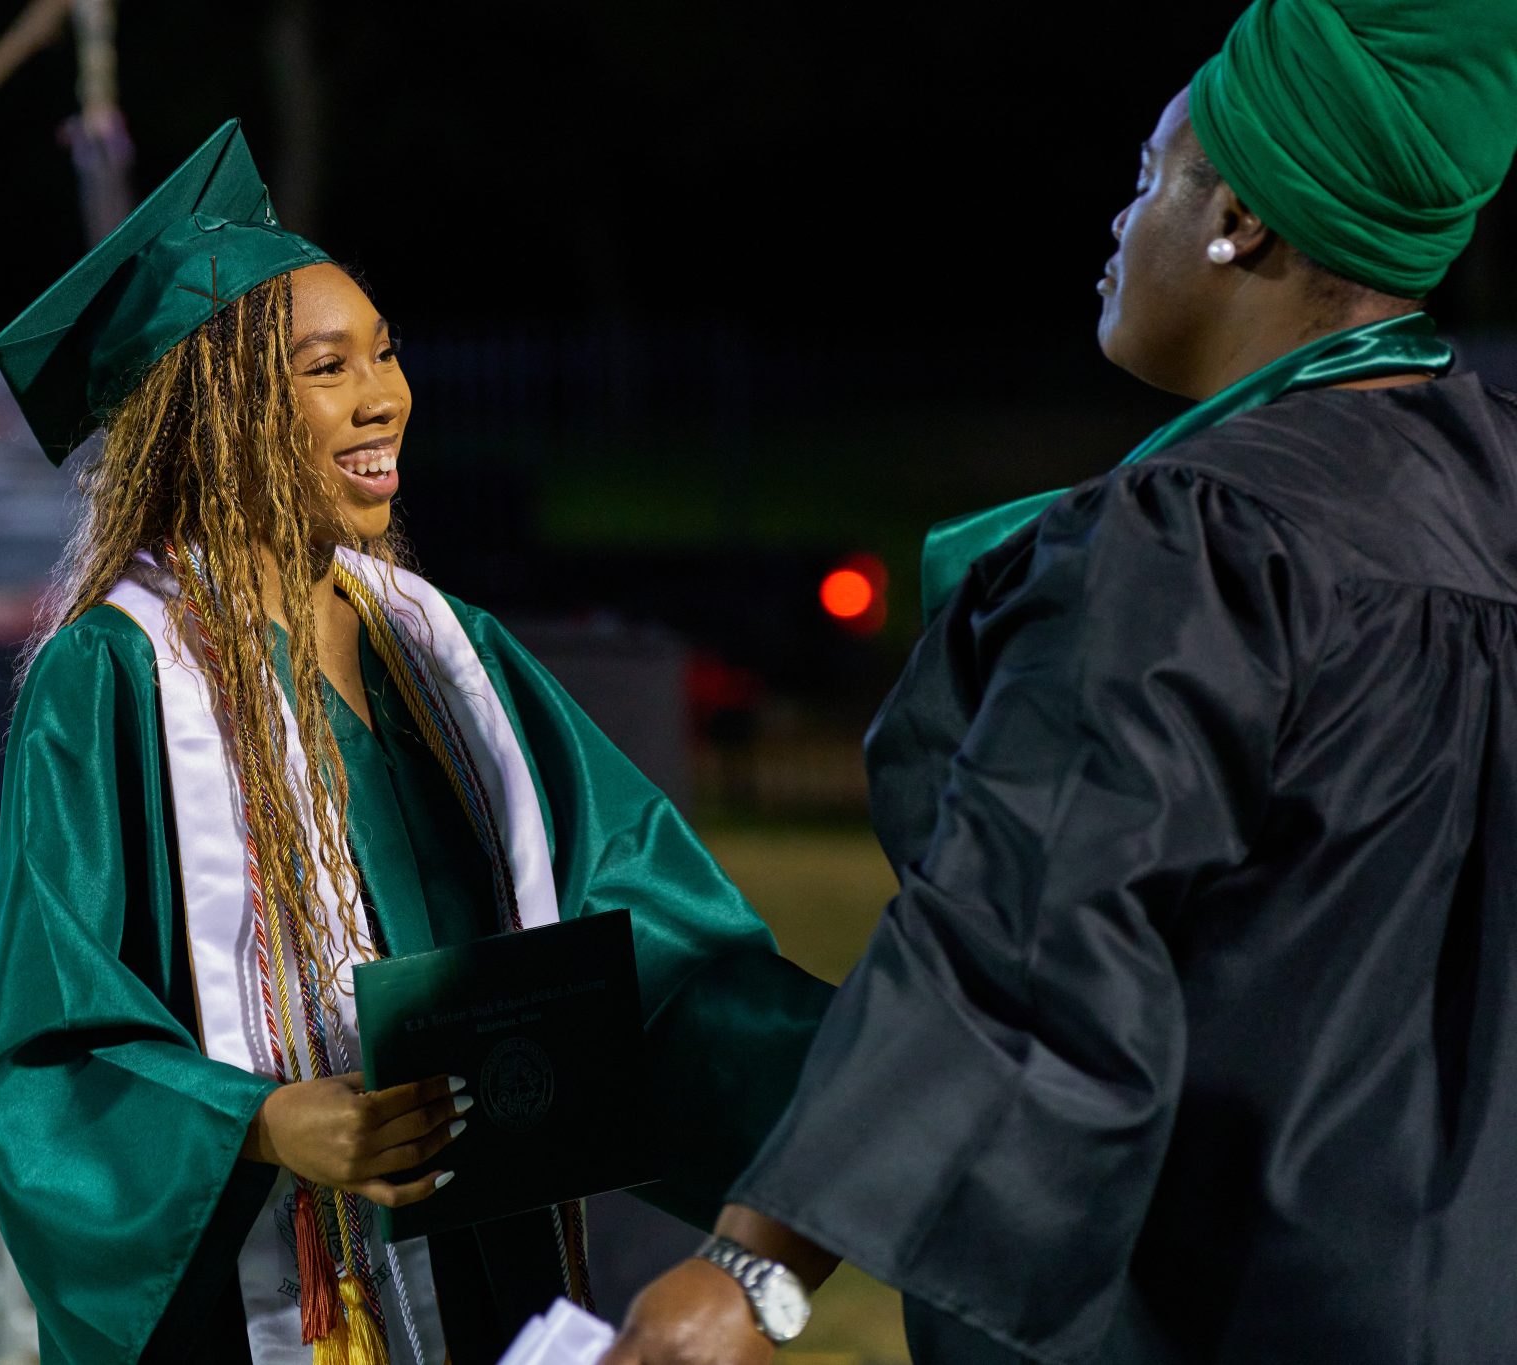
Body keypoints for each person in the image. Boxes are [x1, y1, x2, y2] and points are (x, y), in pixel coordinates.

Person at [608, 1, 1517, 1362]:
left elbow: (1028, 939)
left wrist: (754, 1266)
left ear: (1245, 225)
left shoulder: (1197, 541)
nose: (1121, 224)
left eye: (1153, 179)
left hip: (1251, 1305)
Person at [0, 121, 831, 1365]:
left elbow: (651, 934)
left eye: (384, 351)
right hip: (271, 1296)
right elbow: (48, 1061)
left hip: (489, 1255)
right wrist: (258, 1123)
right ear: (212, 414)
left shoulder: (446, 655)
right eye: (326, 367)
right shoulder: (111, 680)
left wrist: (873, 1077)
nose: (384, 396)